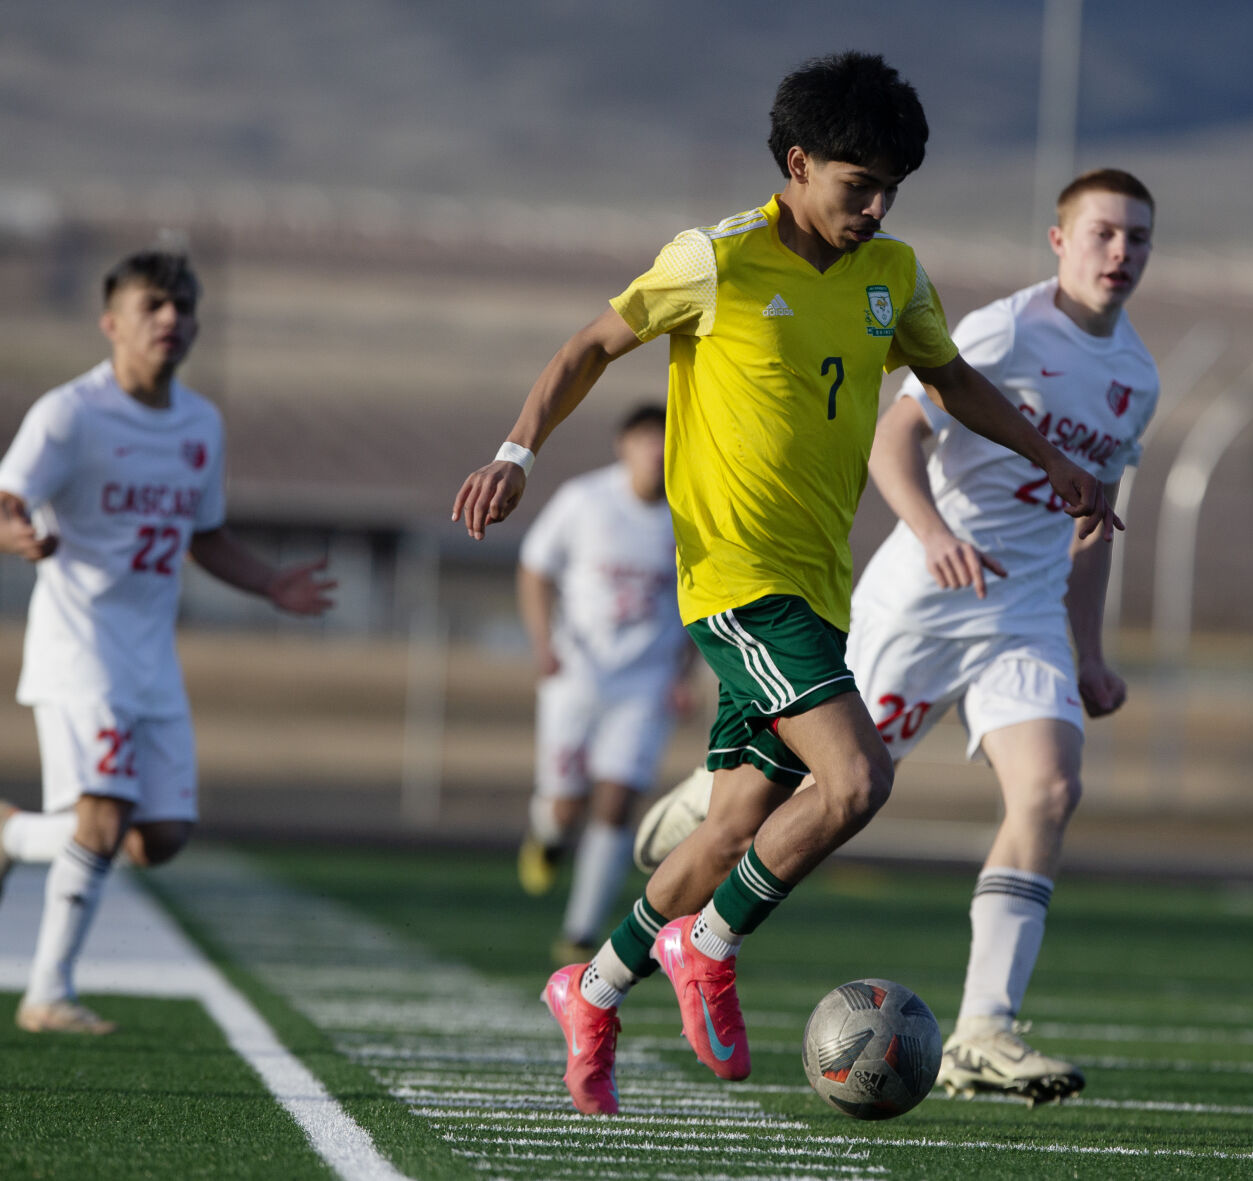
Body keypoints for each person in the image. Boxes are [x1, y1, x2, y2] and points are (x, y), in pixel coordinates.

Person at [451, 51, 1119, 1117]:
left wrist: (1053, 459)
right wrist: (516, 453)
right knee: (855, 782)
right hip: (733, 580)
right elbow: (590, 343)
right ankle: (705, 944)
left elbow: (948, 378)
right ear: (796, 164)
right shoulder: (715, 259)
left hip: (817, 589)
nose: (876, 206)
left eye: (892, 187)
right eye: (858, 185)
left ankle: (592, 983)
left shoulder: (892, 275)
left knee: (730, 826)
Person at [634, 169, 1161, 1105]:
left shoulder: (1138, 378)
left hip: (1024, 613)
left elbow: (1093, 523)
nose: (1120, 254)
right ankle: (703, 803)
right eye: (1103, 234)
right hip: (920, 601)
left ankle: (983, 1033)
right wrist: (932, 532)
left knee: (1051, 787)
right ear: (1059, 240)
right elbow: (892, 438)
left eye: (1137, 239)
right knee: (791, 801)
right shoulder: (1004, 331)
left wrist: (1086, 649)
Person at [0, 249, 336, 1034]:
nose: (171, 319)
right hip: (79, 646)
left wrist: (269, 583)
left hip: (151, 653)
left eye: (183, 306)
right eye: (153, 305)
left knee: (161, 837)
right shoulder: (70, 412)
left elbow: (206, 534)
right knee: (106, 812)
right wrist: (16, 530)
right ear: (111, 321)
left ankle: (13, 833)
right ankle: (48, 991)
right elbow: (7, 496)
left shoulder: (199, 423)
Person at [513, 403, 696, 966]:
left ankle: (581, 930)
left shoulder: (690, 514)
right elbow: (535, 567)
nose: (656, 451)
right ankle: (548, 833)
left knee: (616, 804)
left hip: (645, 681)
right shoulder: (584, 500)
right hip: (577, 673)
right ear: (624, 444)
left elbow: (699, 600)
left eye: (666, 441)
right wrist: (543, 642)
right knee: (567, 803)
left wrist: (685, 673)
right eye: (646, 439)